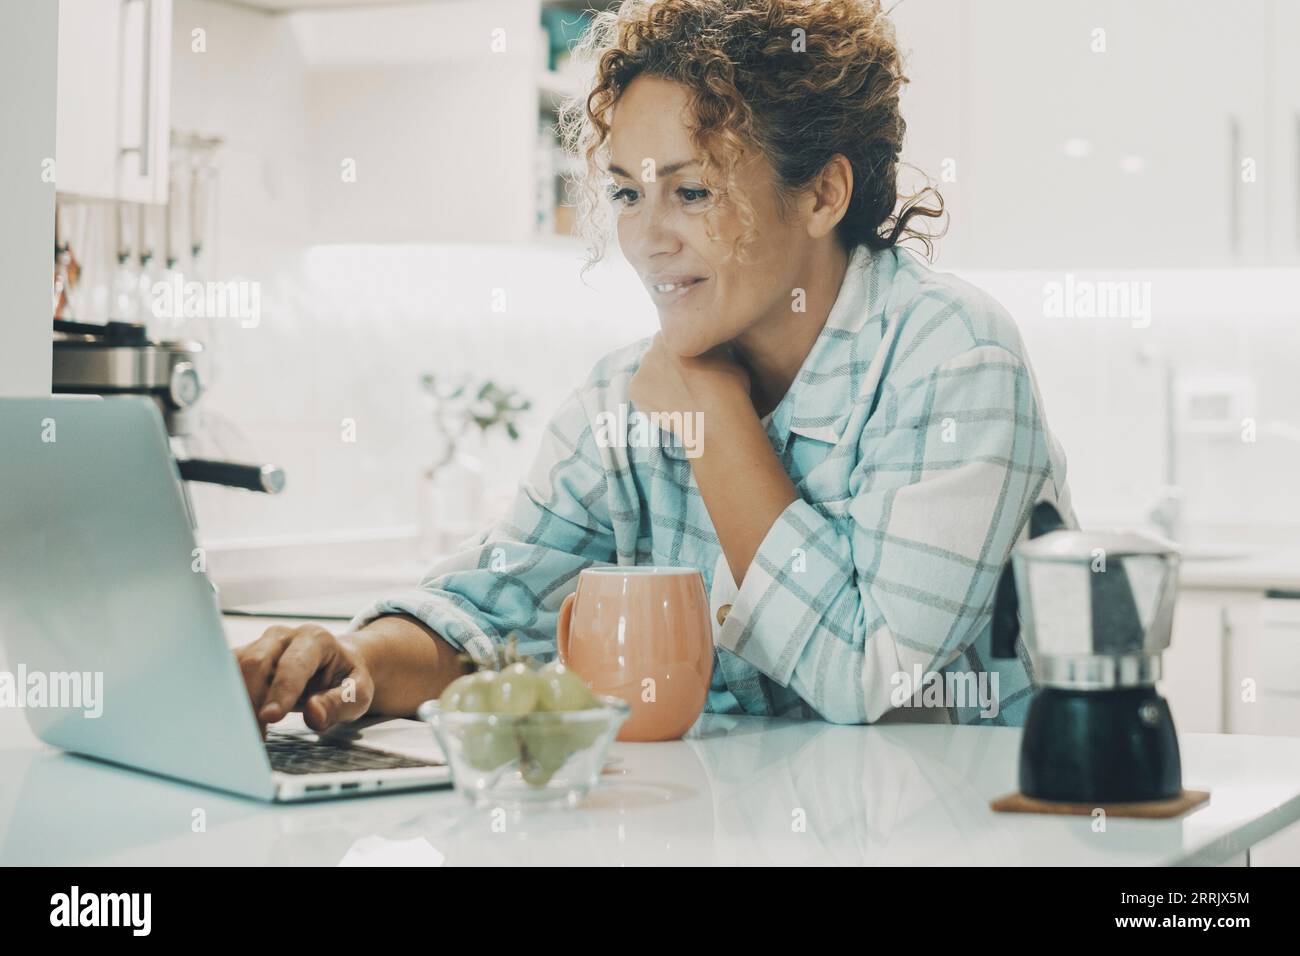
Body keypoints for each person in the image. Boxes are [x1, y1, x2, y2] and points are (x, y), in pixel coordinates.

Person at [236, 0, 1075, 734]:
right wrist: (354, 658)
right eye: (629, 193)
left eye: (693, 192)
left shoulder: (949, 355)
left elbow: (878, 682)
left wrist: (712, 416)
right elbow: (485, 614)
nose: (645, 238)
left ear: (823, 194)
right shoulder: (622, 396)